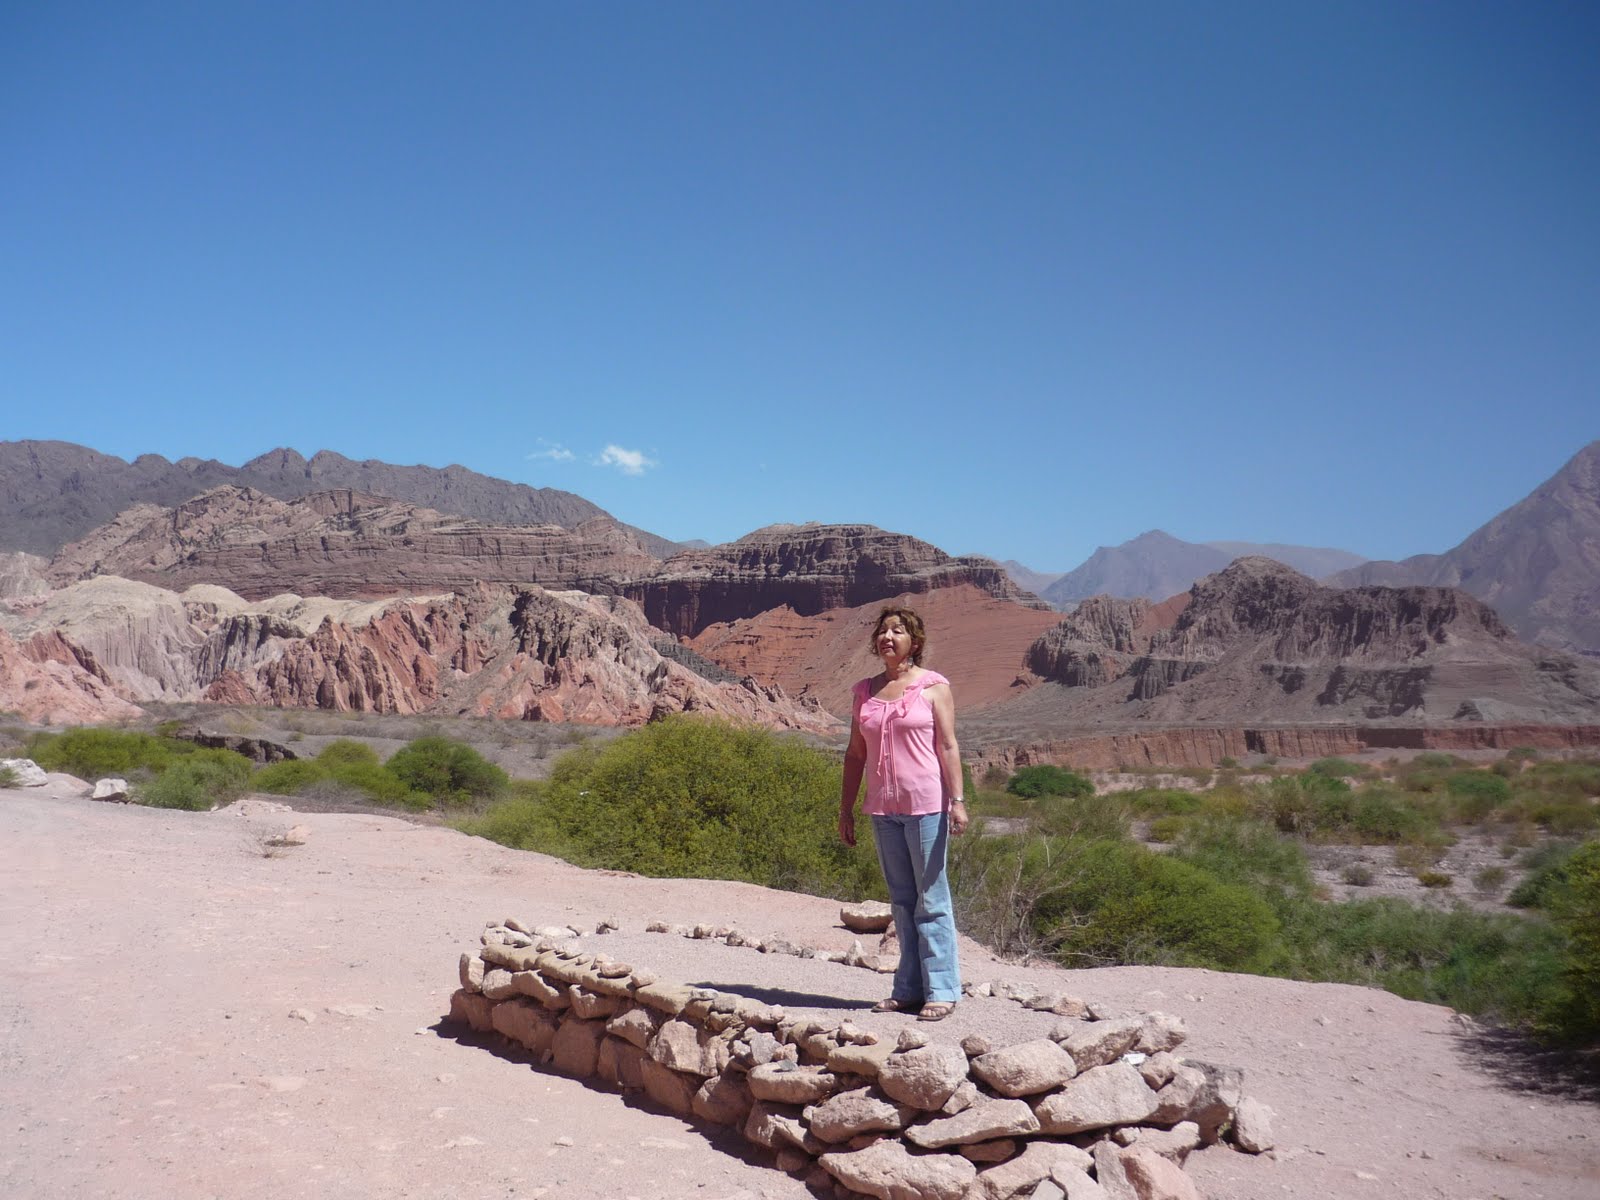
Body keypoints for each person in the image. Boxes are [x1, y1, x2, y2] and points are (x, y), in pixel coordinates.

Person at [839, 604, 968, 1021]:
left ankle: (943, 989)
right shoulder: (864, 691)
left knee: (932, 899)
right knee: (902, 901)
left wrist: (958, 801)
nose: (888, 637)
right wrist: (846, 809)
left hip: (926, 805)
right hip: (882, 809)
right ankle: (909, 988)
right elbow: (855, 754)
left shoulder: (933, 687)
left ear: (915, 641)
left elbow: (948, 745)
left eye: (898, 630)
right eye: (883, 630)